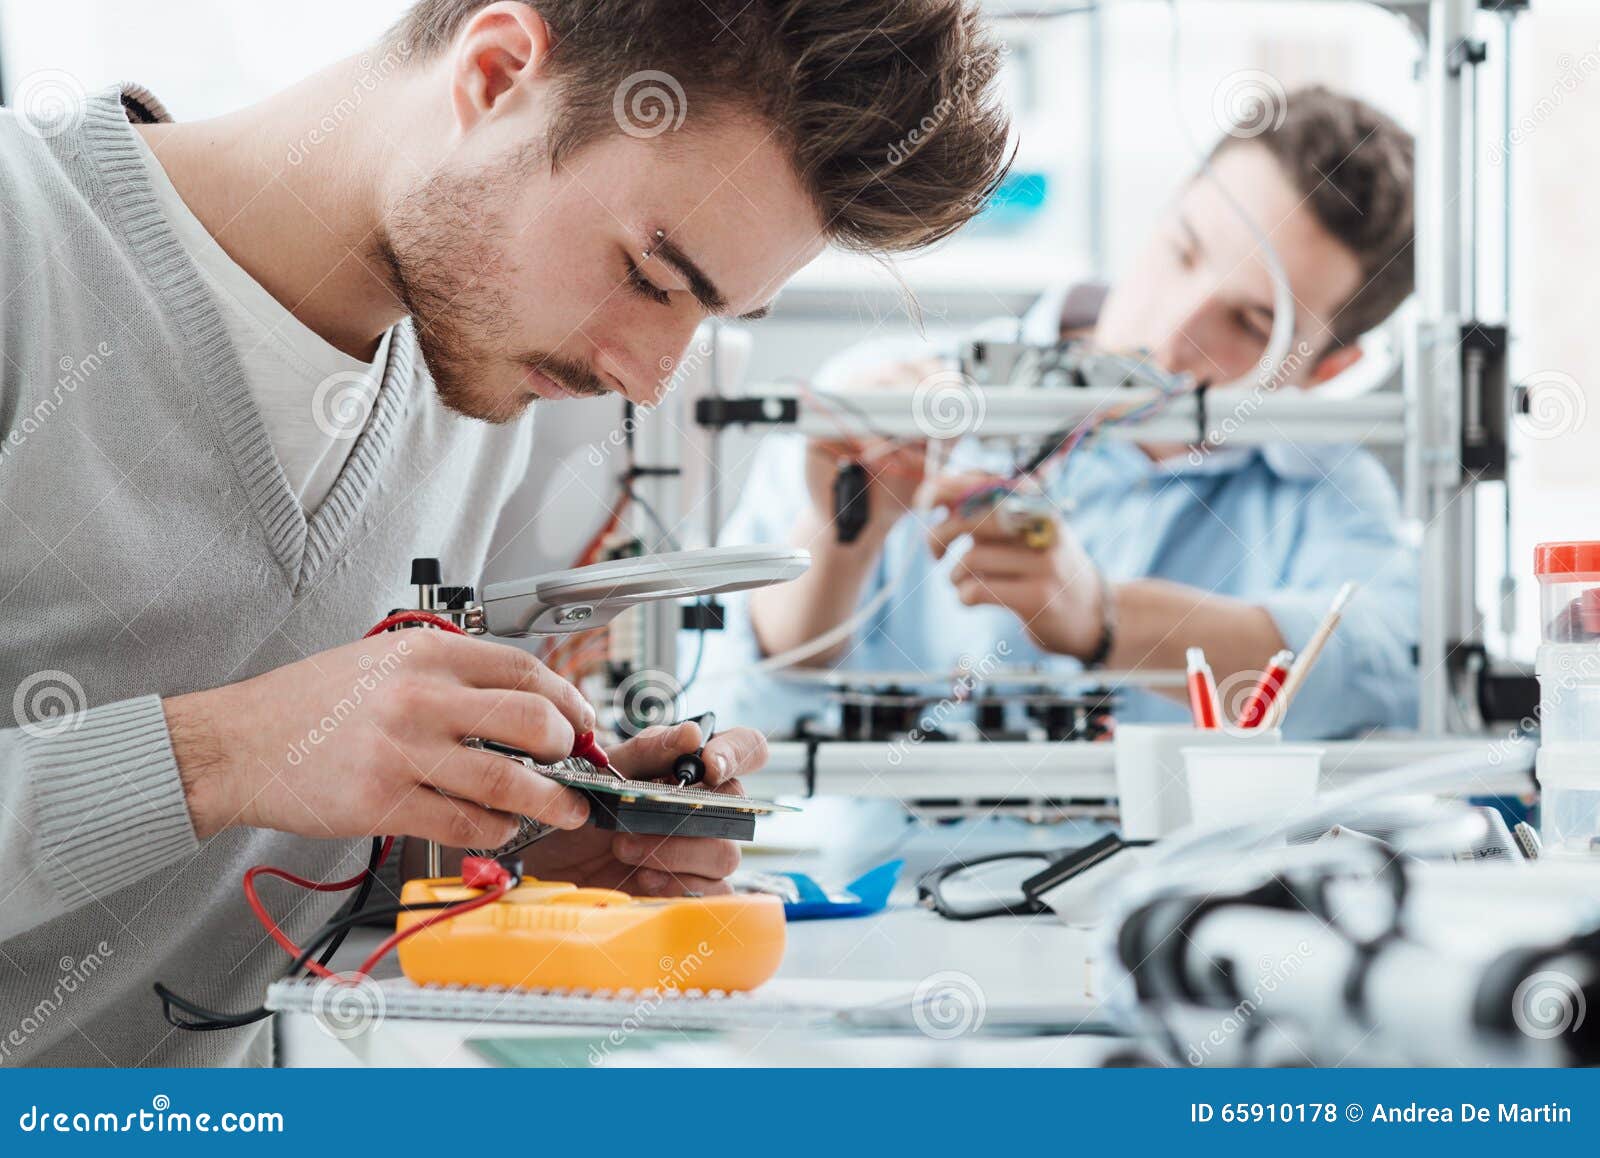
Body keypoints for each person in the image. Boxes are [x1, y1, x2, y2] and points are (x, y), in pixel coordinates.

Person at [0, 0, 1012, 1065]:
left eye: (708, 319)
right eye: (650, 278)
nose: (645, 375)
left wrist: (517, 844)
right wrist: (221, 754)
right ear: (493, 73)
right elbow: (236, 772)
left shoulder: (464, 374)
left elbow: (236, 881)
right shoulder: (26, 249)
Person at [701, 86, 1419, 740]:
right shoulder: (880, 396)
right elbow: (719, 717)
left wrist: (1101, 617)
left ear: (1327, 368)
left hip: (1163, 888)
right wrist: (838, 546)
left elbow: (1380, 682)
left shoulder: (1329, 498)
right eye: (1183, 252)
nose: (1170, 333)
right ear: (1160, 214)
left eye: (1253, 323)